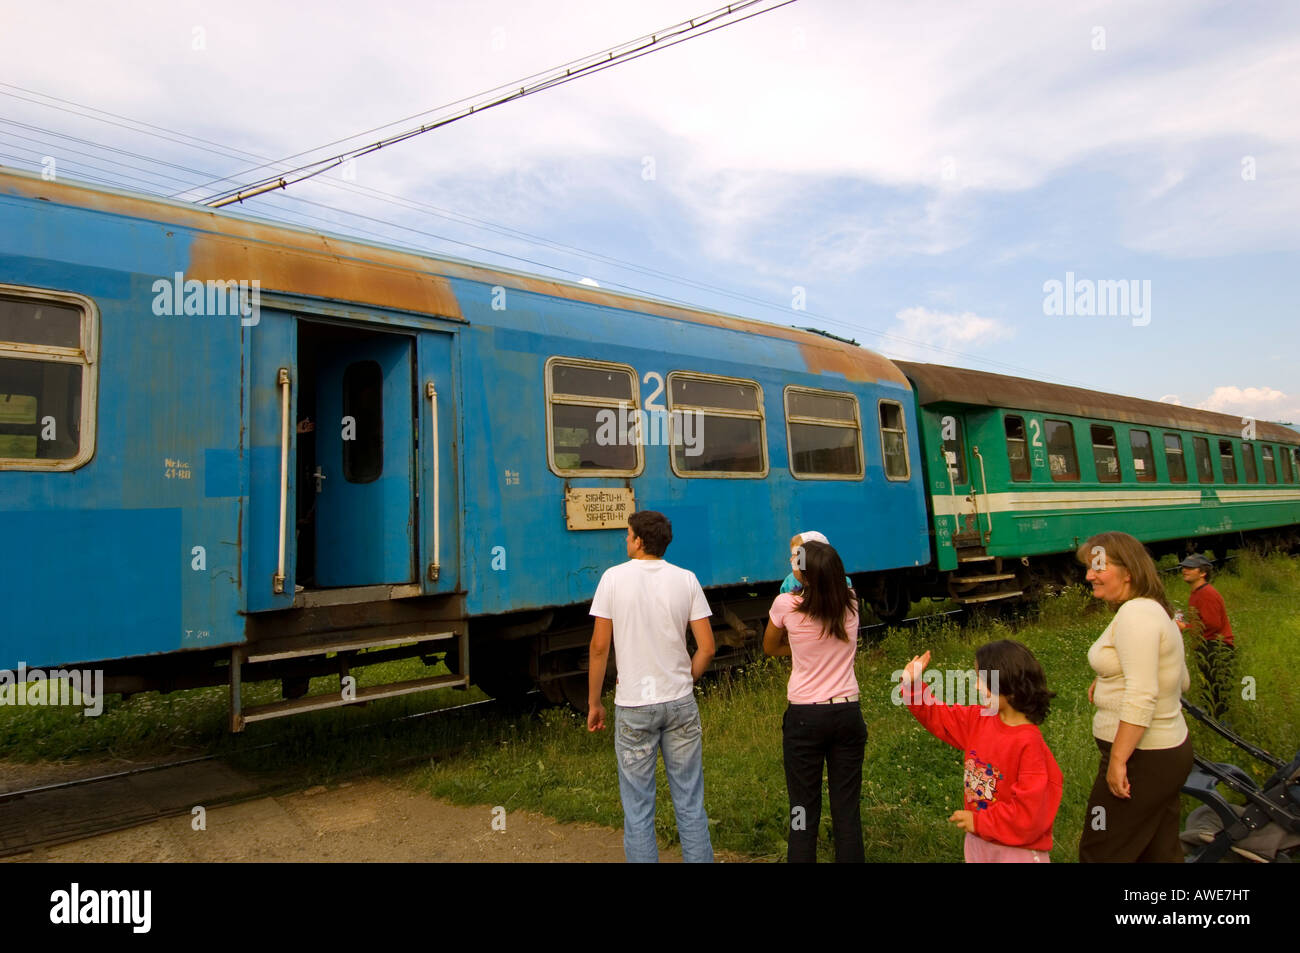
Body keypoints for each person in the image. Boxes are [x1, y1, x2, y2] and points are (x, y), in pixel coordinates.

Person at [586, 510, 716, 863]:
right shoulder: (686, 579)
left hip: (633, 708)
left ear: (640, 540)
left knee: (639, 810)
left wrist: (594, 702)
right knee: (690, 803)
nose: (625, 540)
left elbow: (599, 647)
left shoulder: (613, 579)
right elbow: (707, 647)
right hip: (679, 704)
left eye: (628, 535)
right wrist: (685, 680)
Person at [1077, 531, 1193, 863]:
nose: (1089, 575)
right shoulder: (1155, 610)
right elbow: (1179, 681)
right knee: (1158, 853)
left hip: (1141, 757)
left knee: (1100, 850)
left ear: (1128, 571)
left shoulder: (1136, 615)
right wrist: (1108, 680)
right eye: (1088, 567)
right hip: (1162, 755)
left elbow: (1143, 695)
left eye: (1098, 566)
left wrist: (1117, 761)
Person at [900, 640, 1063, 863]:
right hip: (979, 842)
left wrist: (979, 822)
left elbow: (1030, 816)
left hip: (1016, 851)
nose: (977, 686)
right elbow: (939, 716)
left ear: (1010, 686)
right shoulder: (979, 720)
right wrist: (913, 685)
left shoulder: (1029, 745)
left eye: (983, 680)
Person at [764, 539, 866, 862]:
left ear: (803, 577)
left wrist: (798, 654)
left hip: (804, 720)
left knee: (801, 808)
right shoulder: (850, 602)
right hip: (848, 713)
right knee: (846, 809)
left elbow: (769, 647)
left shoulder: (785, 605)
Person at [1176, 553, 1235, 720]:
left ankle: (1222, 726)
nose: (1184, 570)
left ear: (1202, 573)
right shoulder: (1197, 593)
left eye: (1189, 568)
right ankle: (1214, 722)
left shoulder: (1206, 594)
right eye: (1184, 567)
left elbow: (1213, 624)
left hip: (1217, 648)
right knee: (1209, 690)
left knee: (1218, 692)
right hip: (1207, 646)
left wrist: (1185, 627)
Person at [779, 530, 853, 594]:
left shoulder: (843, 582)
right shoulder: (789, 582)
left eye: (796, 555)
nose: (791, 559)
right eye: (793, 555)